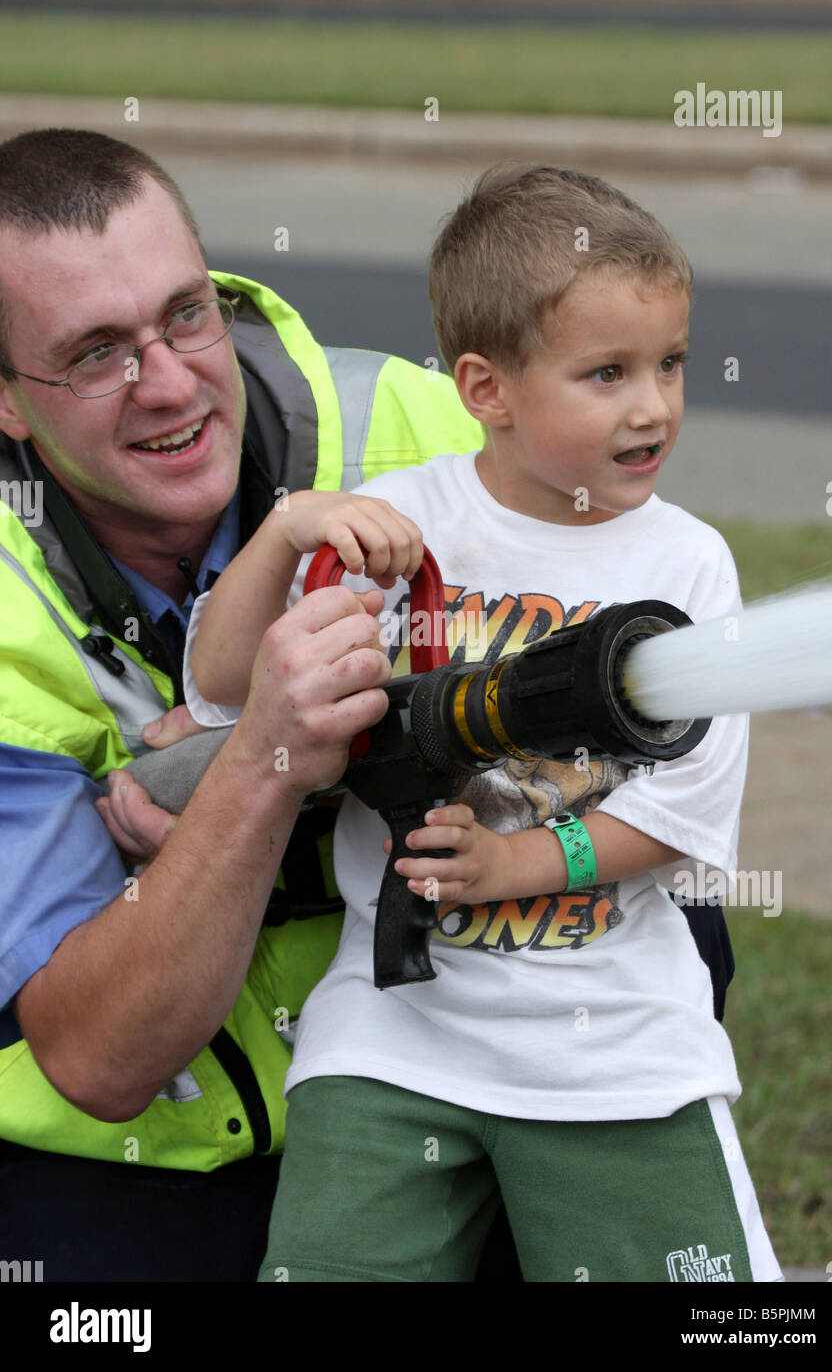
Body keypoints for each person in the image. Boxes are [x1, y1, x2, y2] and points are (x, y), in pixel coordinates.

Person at [160, 165, 782, 1282]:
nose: (651, 405)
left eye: (668, 364)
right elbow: (218, 690)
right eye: (606, 373)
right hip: (391, 1044)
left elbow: (683, 814)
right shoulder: (406, 529)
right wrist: (288, 528)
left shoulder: (686, 562)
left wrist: (508, 862)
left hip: (616, 1049)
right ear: (485, 388)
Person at [0, 127, 484, 1281]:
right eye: (95, 353)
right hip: (139, 1151)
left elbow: (648, 740)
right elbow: (98, 1050)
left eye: (183, 313)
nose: (168, 382)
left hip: (449, 1082)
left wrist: (218, 795)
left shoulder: (425, 424)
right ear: (10, 403)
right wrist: (266, 757)